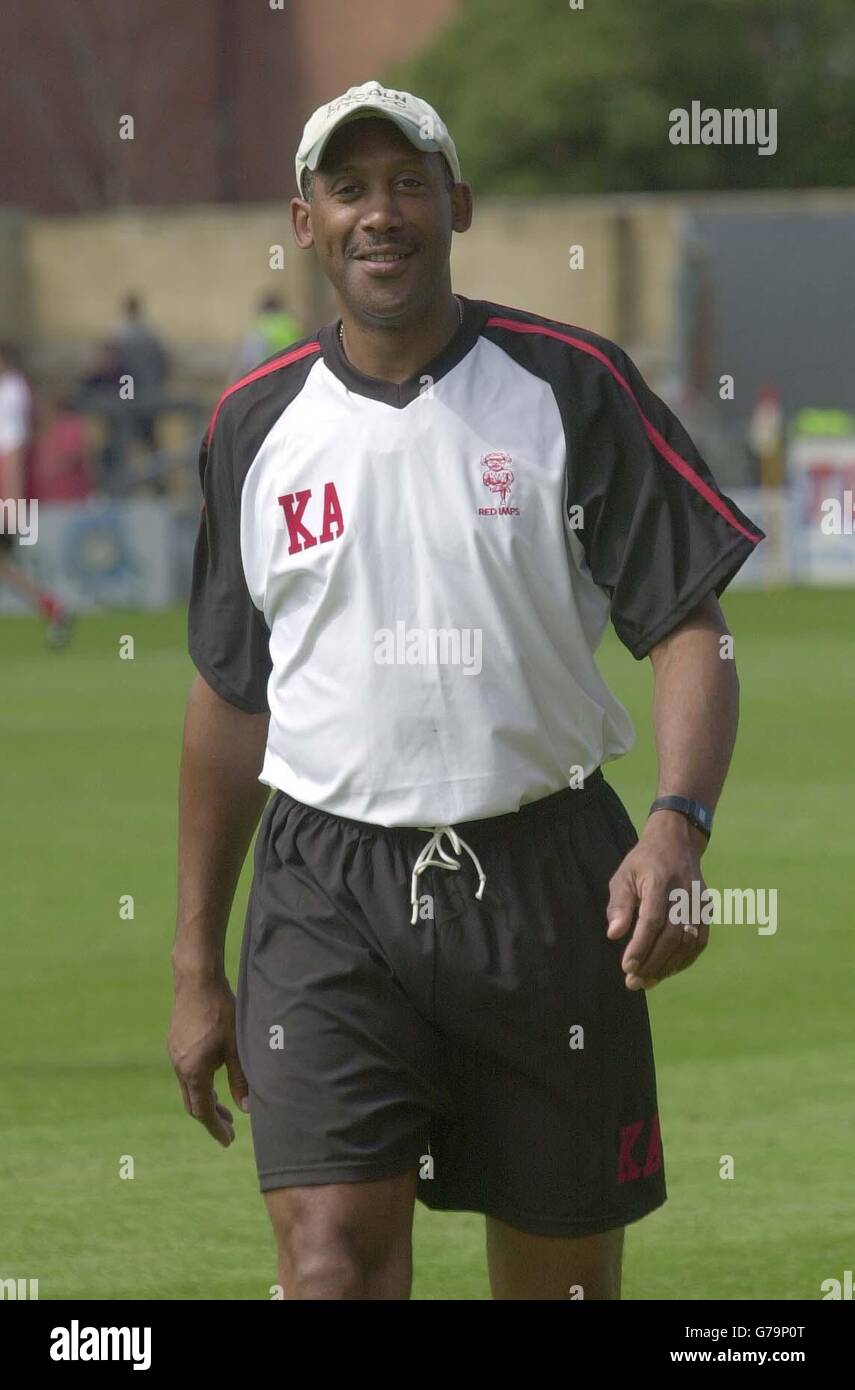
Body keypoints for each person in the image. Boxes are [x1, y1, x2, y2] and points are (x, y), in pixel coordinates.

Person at [168, 81, 765, 1300]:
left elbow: (690, 629)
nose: (379, 214)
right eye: (348, 188)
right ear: (305, 220)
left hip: (550, 884)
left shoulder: (572, 386)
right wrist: (194, 963)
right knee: (327, 1263)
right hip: (323, 890)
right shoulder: (253, 423)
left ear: (459, 205)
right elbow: (232, 702)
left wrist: (678, 825)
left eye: (407, 183)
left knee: (562, 1290)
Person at [0, 342, 73, 645]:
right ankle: (51, 606)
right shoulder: (15, 391)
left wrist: (12, 500)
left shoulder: (10, 391)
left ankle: (51, 606)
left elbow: (13, 449)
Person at [113, 293, 170, 448]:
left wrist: (125, 394)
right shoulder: (151, 334)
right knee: (150, 439)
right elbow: (164, 362)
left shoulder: (120, 335)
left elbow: (118, 368)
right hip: (150, 392)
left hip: (129, 393)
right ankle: (156, 470)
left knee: (125, 438)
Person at [236, 293, 303, 374]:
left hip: (268, 373)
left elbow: (249, 357)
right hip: (291, 370)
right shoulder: (291, 323)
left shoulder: (262, 326)